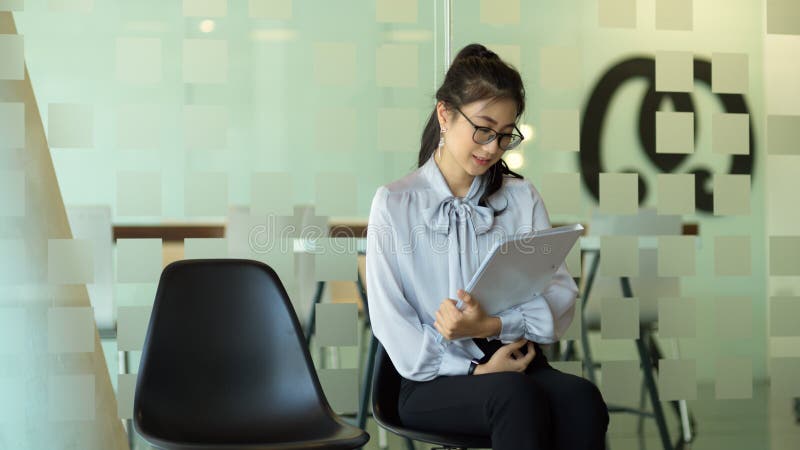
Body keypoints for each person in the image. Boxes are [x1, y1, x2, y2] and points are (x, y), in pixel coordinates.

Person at [365, 43, 609, 449]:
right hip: (431, 375)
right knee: (514, 398)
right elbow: (392, 320)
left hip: (516, 360)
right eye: (483, 128)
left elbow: (559, 294)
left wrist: (492, 327)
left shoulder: (520, 197)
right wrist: (475, 368)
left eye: (504, 135)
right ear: (445, 114)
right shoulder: (395, 204)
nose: (493, 147)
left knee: (581, 399)